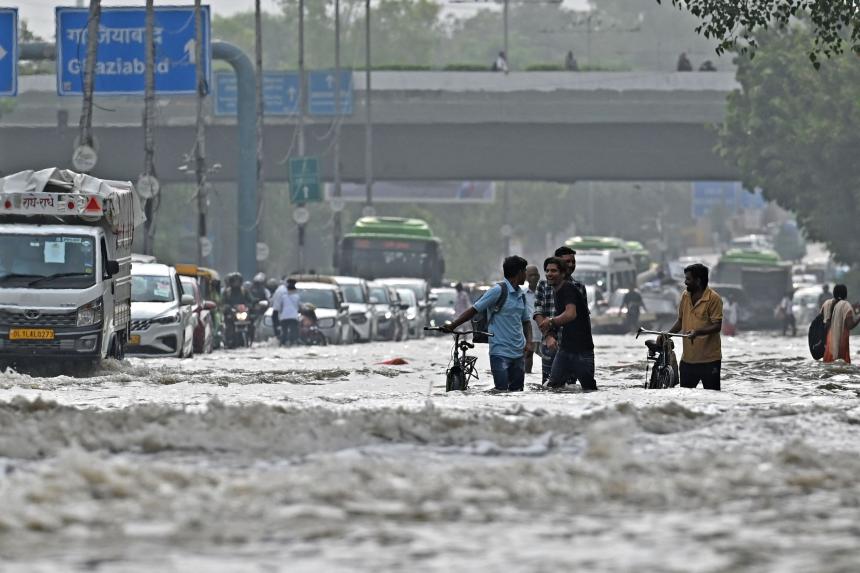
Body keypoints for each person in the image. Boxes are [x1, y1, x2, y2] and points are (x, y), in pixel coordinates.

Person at [443, 256, 532, 392]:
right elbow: (474, 309)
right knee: (501, 391)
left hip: (518, 354)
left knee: (517, 393)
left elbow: (526, 322)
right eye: (524, 271)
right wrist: (453, 325)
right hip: (499, 352)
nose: (526, 274)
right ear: (519, 272)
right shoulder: (497, 291)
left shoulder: (521, 295)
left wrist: (529, 343)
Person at [543, 257, 596, 391]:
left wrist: (550, 322)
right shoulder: (557, 290)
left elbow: (570, 314)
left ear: (562, 274)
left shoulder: (567, 289)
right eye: (547, 270)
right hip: (566, 350)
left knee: (588, 389)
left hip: (582, 351)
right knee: (553, 386)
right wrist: (550, 334)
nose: (549, 273)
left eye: (553, 271)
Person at [667, 263, 723, 390]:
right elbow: (680, 321)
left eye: (688, 279)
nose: (685, 282)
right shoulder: (685, 296)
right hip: (688, 361)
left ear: (698, 281)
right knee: (685, 397)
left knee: (713, 397)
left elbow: (717, 326)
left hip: (709, 361)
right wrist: (667, 335)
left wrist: (697, 332)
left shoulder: (714, 299)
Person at [534, 246, 585, 384]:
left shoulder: (579, 287)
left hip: (572, 347)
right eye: (567, 262)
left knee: (570, 387)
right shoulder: (544, 285)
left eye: (573, 262)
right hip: (550, 343)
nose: (571, 265)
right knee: (548, 385)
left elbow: (582, 318)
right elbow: (538, 312)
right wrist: (549, 336)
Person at [821, 284, 860, 363]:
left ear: (834, 293)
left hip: (829, 339)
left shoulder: (826, 304)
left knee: (829, 363)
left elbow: (826, 318)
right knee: (841, 365)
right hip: (841, 339)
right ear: (845, 294)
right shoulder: (846, 306)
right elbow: (850, 325)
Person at [524, 265, 542, 374]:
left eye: (536, 275)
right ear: (526, 277)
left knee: (547, 357)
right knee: (527, 355)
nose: (533, 278)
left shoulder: (543, 292)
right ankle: (528, 377)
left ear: (539, 276)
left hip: (543, 332)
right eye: (531, 275)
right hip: (528, 332)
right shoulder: (522, 294)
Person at [272, 279, 301, 346]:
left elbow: (279, 307)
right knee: (294, 334)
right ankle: (293, 342)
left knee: (284, 333)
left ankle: (282, 343)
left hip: (284, 318)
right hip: (294, 318)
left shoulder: (283, 296)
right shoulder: (297, 297)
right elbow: (298, 307)